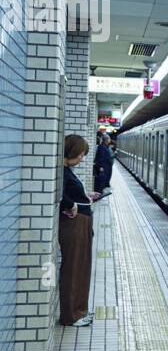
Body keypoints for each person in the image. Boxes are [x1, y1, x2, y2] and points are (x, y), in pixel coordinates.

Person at [59, 135, 101, 327]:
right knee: (73, 269)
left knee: (81, 268)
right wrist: (70, 204)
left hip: (81, 223)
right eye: (81, 154)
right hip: (74, 225)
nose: (82, 158)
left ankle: (79, 310)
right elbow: (59, 194)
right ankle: (71, 315)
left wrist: (86, 196)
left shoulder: (67, 170)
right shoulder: (61, 171)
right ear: (72, 151)